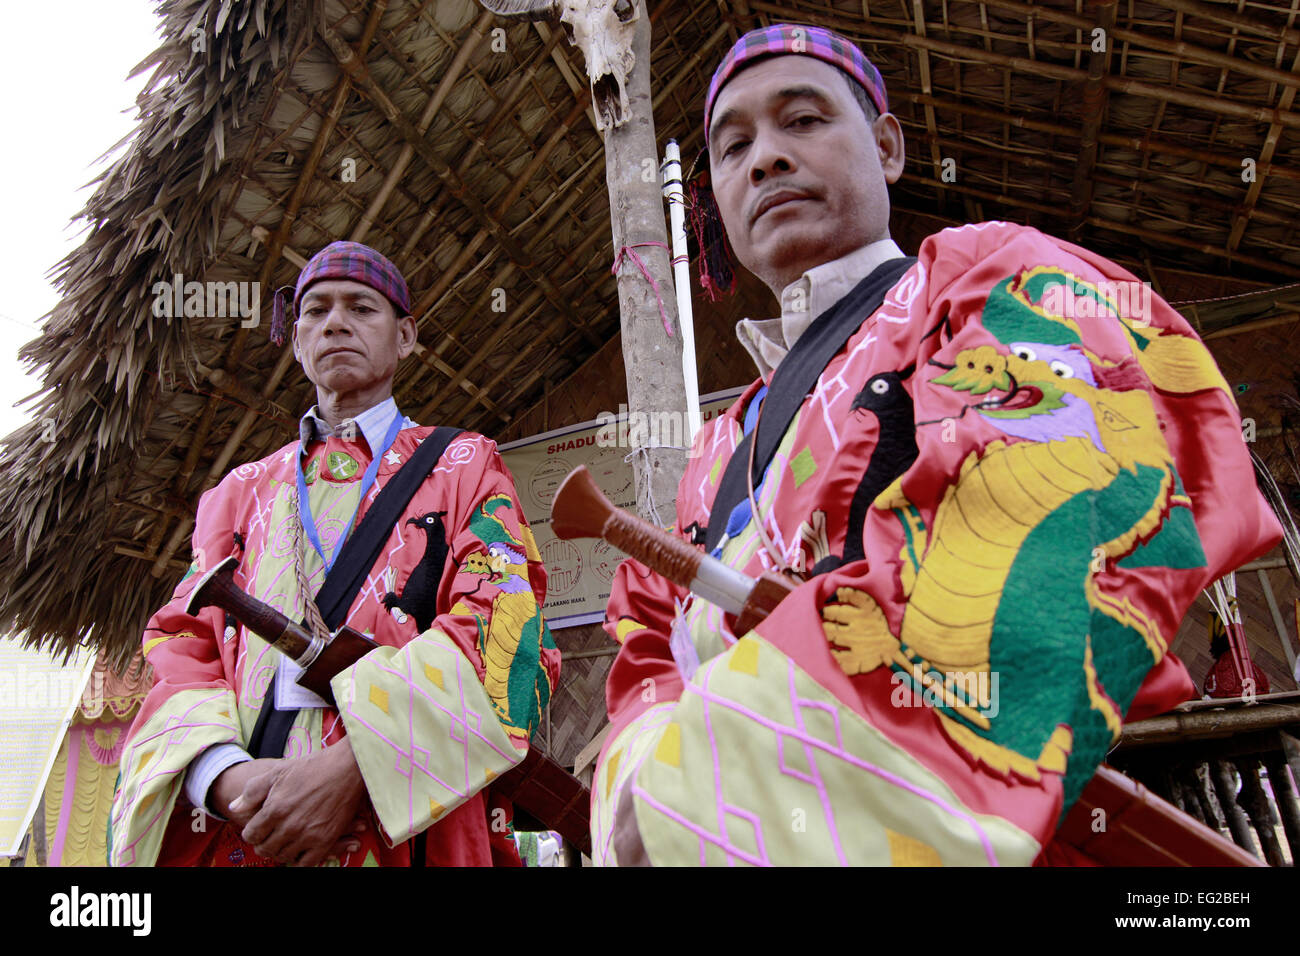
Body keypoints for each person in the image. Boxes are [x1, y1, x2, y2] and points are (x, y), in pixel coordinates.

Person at [592, 24, 1283, 865]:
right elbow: (646, 642)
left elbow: (1058, 513)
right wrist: (642, 789)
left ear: (887, 146)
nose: (765, 159)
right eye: (733, 148)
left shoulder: (985, 278)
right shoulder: (713, 455)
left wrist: (704, 786)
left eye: (802, 120)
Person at [110, 241, 559, 866]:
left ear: (405, 336)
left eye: (362, 308)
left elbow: (506, 625)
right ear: (297, 341)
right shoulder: (238, 493)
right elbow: (183, 647)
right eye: (316, 310)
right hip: (253, 829)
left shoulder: (464, 466)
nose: (336, 323)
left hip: (403, 832)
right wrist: (229, 780)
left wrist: (358, 765)